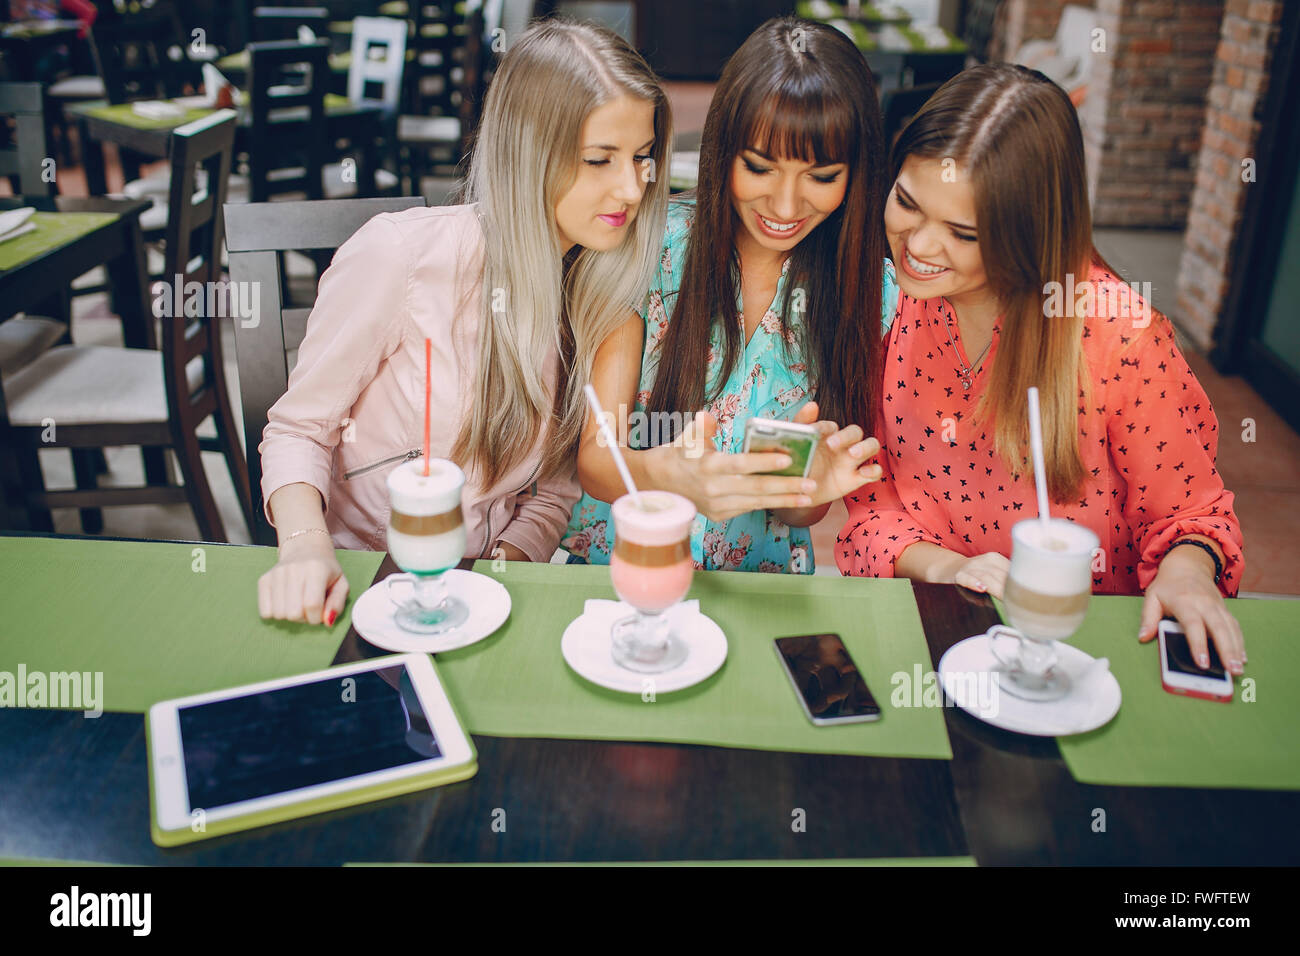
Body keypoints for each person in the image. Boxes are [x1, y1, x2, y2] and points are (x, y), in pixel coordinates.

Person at [257, 19, 672, 624]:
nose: (632, 188)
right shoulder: (400, 258)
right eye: (598, 160)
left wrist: (500, 568)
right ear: (527, 153)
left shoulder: (593, 294)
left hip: (483, 599)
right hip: (360, 589)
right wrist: (303, 549)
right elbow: (299, 431)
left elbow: (552, 493)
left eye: (640, 159)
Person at [837, 64, 1246, 672]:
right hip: (929, 631)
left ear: (1029, 234)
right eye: (906, 203)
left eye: (963, 233)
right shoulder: (887, 302)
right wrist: (949, 568)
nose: (918, 247)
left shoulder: (1119, 338)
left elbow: (1192, 516)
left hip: (1083, 658)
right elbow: (873, 502)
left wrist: (1188, 572)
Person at [564, 16, 896, 573]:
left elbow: (801, 516)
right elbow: (598, 460)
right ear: (723, 151)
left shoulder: (870, 292)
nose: (786, 206)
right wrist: (669, 476)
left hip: (757, 587)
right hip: (624, 568)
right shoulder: (653, 246)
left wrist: (805, 487)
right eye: (760, 168)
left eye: (822, 176)